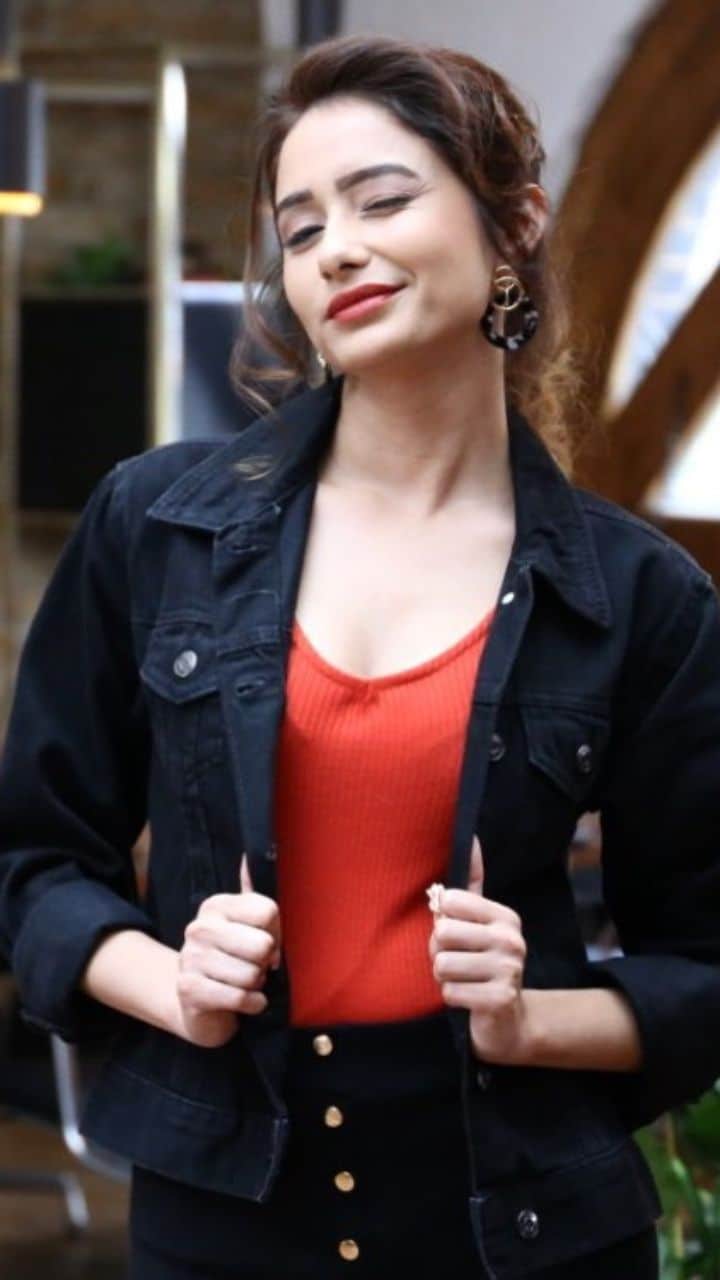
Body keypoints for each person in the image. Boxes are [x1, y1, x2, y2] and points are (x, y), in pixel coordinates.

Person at [1, 32, 719, 1280]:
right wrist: (170, 980)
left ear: (515, 224)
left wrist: (528, 1016)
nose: (335, 248)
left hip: (519, 1222)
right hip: (221, 1209)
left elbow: (705, 960)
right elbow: (31, 859)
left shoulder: (638, 593)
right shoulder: (157, 526)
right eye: (300, 228)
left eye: (382, 200)